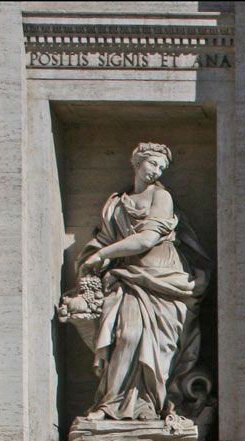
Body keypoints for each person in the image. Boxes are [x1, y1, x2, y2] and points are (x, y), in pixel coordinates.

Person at [76, 142, 210, 423]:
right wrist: (91, 256)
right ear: (137, 161)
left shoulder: (161, 197)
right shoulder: (116, 203)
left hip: (162, 278)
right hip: (127, 278)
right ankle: (110, 404)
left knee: (155, 345)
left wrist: (103, 254)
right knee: (125, 336)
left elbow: (147, 239)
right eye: (152, 164)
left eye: (161, 167)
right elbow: (104, 238)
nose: (156, 170)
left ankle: (150, 405)